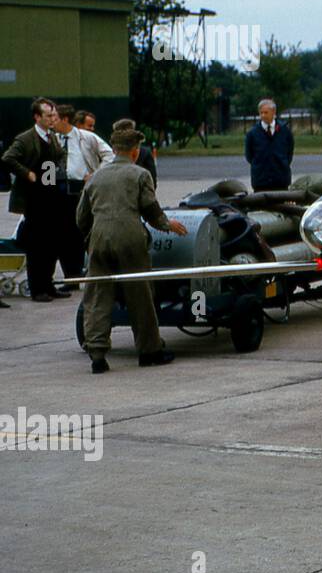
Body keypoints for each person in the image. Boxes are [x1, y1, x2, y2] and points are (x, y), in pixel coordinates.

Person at [76, 129, 187, 374]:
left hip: (99, 238)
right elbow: (151, 210)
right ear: (135, 152)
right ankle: (149, 351)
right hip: (130, 240)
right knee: (140, 295)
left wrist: (92, 238)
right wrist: (169, 225)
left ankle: (96, 354)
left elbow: (81, 217)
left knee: (97, 297)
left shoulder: (95, 178)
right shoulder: (140, 174)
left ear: (114, 150)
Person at [2, 98, 67, 302]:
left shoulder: (52, 137)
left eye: (53, 115)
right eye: (47, 116)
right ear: (37, 117)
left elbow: (60, 155)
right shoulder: (25, 139)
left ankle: (48, 285)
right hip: (33, 199)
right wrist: (26, 173)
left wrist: (59, 167)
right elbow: (8, 158)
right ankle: (37, 288)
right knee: (36, 245)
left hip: (51, 195)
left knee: (52, 243)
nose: (51, 119)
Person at [50, 104, 114, 287]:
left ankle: (82, 273)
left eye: (55, 118)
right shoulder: (53, 139)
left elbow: (109, 155)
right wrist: (47, 184)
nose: (52, 121)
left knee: (80, 233)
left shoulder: (87, 138)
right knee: (62, 235)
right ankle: (71, 276)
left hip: (80, 189)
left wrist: (96, 175)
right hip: (59, 188)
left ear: (65, 119)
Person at [245, 99, 294, 191]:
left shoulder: (285, 131)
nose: (263, 115)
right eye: (261, 113)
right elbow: (249, 155)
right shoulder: (252, 133)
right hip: (260, 181)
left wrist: (282, 163)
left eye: (266, 112)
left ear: (273, 112)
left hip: (281, 180)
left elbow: (289, 152)